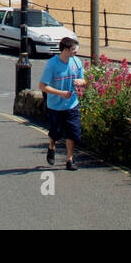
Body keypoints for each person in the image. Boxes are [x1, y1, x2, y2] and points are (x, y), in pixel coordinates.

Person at [39, 37, 86, 170]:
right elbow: (42, 86)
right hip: (55, 106)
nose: (75, 52)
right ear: (65, 50)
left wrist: (81, 82)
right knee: (56, 133)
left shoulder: (76, 62)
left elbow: (83, 80)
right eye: (73, 50)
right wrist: (61, 93)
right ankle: (51, 147)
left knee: (72, 132)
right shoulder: (52, 64)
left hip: (72, 104)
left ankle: (70, 160)